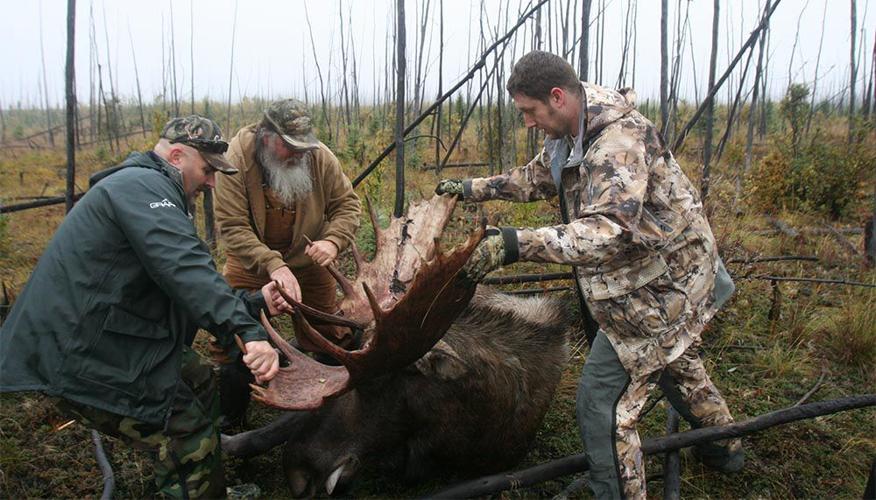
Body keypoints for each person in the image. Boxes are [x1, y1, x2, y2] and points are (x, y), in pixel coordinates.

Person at [436, 51, 743, 499]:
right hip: (658, 274)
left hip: (663, 286)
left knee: (600, 404)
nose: (527, 122)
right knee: (675, 366)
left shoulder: (617, 143)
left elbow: (610, 231)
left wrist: (517, 244)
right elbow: (539, 176)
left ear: (557, 97)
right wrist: (471, 189)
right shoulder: (573, 132)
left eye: (529, 111)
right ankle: (724, 449)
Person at [0, 115, 286, 499]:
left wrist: (253, 304)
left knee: (198, 375)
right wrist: (248, 334)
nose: (212, 182)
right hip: (81, 350)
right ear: (177, 155)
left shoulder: (149, 189)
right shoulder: (142, 187)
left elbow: (178, 284)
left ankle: (195, 483)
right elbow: (183, 266)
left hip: (106, 334)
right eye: (207, 170)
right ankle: (194, 481)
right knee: (185, 428)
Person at [213, 98, 361, 425]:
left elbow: (348, 206)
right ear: (267, 138)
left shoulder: (318, 157)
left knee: (332, 333)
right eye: (290, 147)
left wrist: (332, 241)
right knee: (233, 334)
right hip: (251, 263)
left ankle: (335, 413)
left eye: (303, 146)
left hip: (308, 262)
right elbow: (232, 226)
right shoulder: (235, 159)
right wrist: (272, 264)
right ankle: (232, 419)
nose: (299, 154)